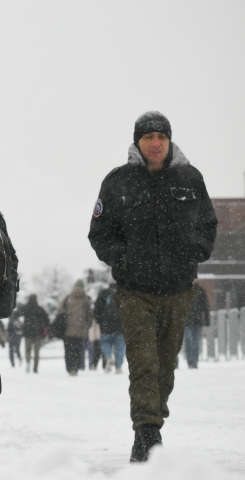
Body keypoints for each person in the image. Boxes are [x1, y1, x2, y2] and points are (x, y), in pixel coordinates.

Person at [88, 111, 217, 463]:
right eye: (149, 137)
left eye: (161, 137)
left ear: (169, 141)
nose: (156, 143)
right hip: (135, 290)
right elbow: (99, 233)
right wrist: (122, 259)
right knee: (143, 361)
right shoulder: (118, 181)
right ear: (138, 142)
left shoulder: (191, 178)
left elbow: (207, 224)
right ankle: (147, 433)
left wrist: (194, 251)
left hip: (179, 289)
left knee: (164, 365)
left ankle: (152, 423)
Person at [58, 280, 92, 376]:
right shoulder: (86, 300)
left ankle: (70, 367)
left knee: (69, 350)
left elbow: (60, 312)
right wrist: (86, 324)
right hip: (81, 330)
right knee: (78, 349)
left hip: (68, 330)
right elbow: (89, 315)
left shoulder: (68, 298)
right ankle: (76, 367)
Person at [94, 280, 126, 374]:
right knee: (120, 346)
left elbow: (97, 309)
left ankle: (108, 357)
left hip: (106, 325)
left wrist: (99, 321)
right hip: (120, 325)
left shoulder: (103, 293)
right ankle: (118, 367)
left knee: (105, 343)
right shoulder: (123, 293)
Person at [184, 281, 210, 368]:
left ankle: (193, 361)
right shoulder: (186, 291)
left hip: (194, 321)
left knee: (194, 342)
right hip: (189, 321)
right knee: (192, 341)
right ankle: (191, 361)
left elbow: (205, 307)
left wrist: (207, 320)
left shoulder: (199, 291)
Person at [21, 294, 49, 373]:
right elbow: (46, 320)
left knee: (27, 350)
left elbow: (18, 314)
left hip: (27, 332)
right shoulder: (39, 309)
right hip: (38, 333)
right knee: (37, 351)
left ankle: (28, 361)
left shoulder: (25, 308)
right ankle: (35, 367)